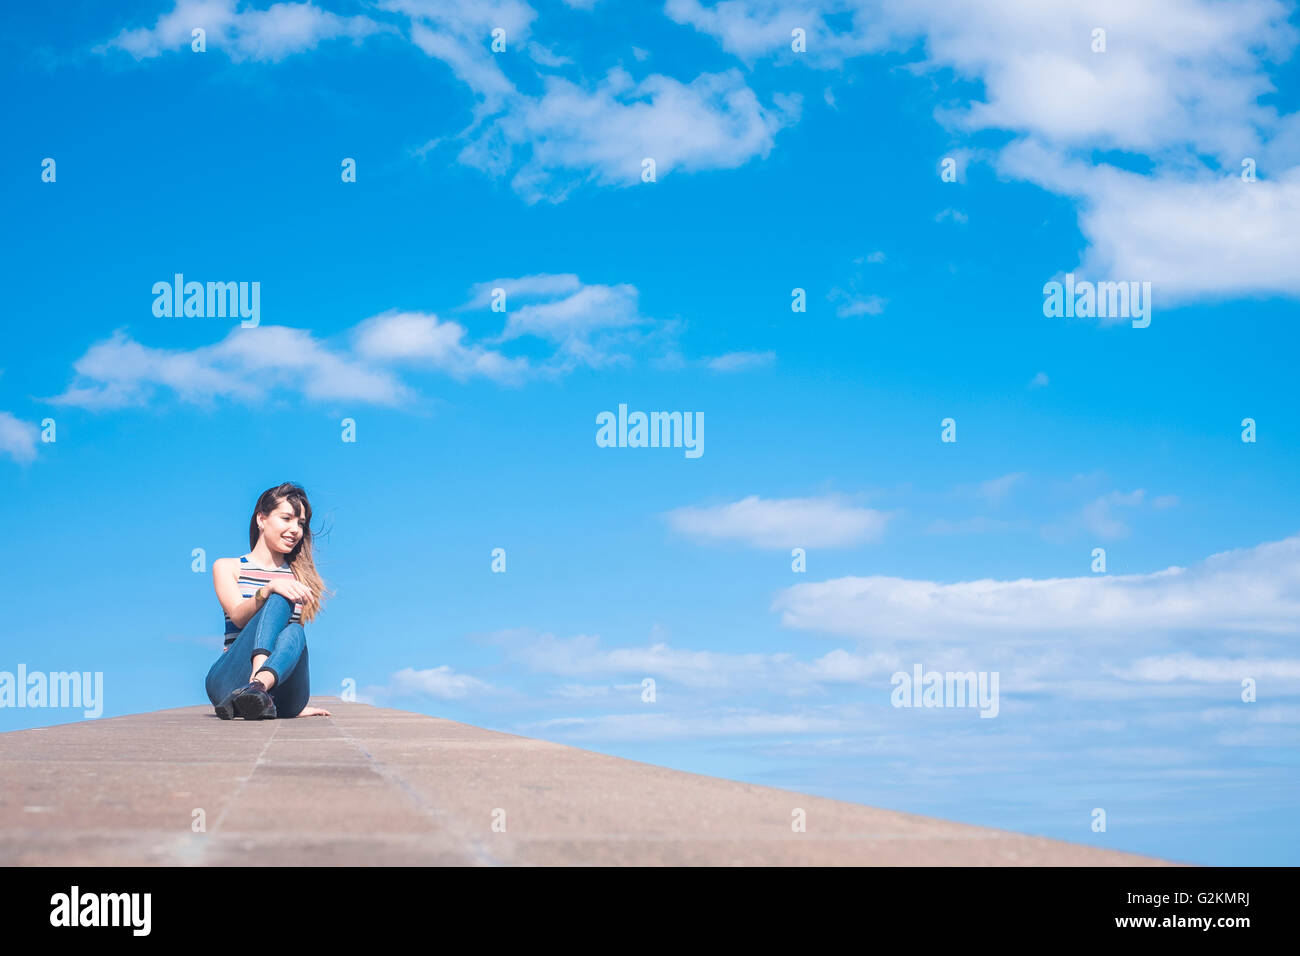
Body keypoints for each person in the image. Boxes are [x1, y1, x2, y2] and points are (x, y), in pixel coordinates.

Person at [205, 483, 332, 719]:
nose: (295, 529)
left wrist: (298, 705)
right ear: (261, 520)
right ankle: (254, 686)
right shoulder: (229, 567)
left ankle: (258, 688)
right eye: (287, 518)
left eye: (301, 523)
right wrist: (268, 589)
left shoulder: (299, 577)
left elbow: (291, 643)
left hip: (279, 694)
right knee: (279, 596)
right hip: (229, 681)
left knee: (295, 629)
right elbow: (238, 616)